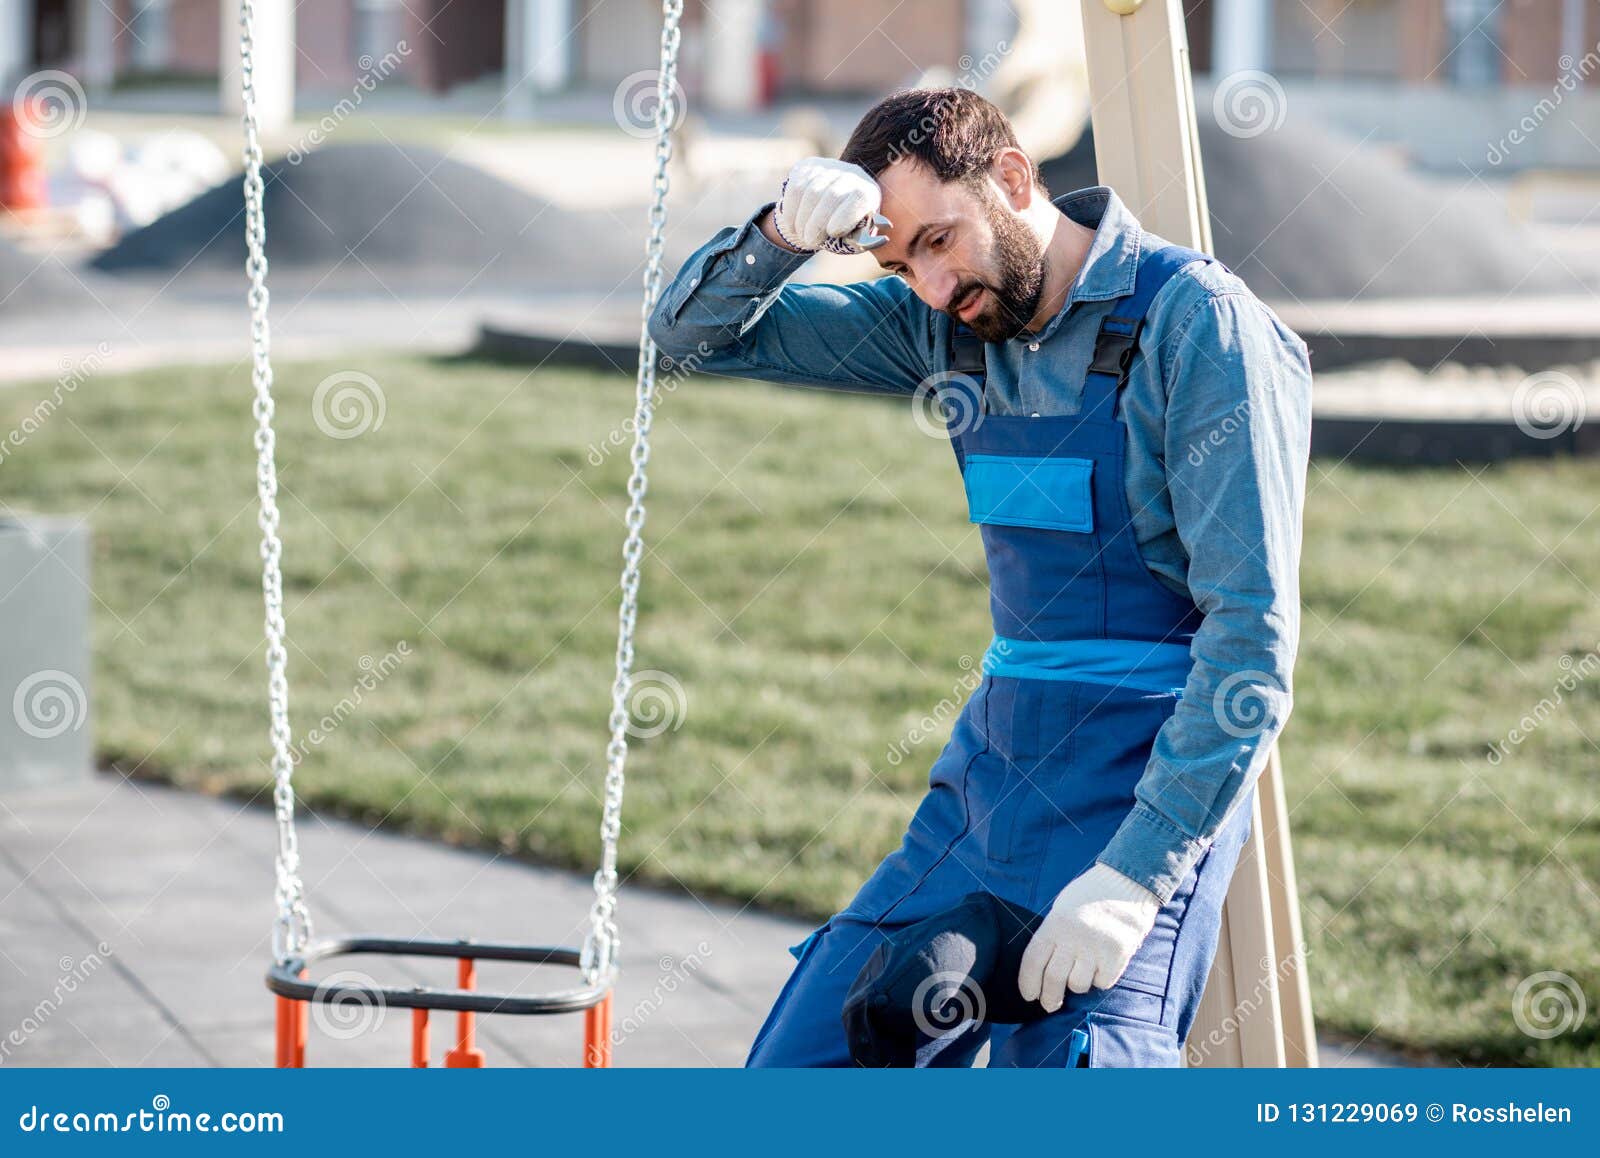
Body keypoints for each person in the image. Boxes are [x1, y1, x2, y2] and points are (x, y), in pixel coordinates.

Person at [648, 87, 1312, 1067]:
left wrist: (1133, 877)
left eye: (937, 241)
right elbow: (686, 341)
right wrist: (780, 234)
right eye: (895, 260)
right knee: (811, 1060)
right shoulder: (949, 326)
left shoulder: (1197, 326)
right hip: (987, 780)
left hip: (1139, 784)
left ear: (1011, 178)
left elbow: (1249, 645)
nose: (924, 285)